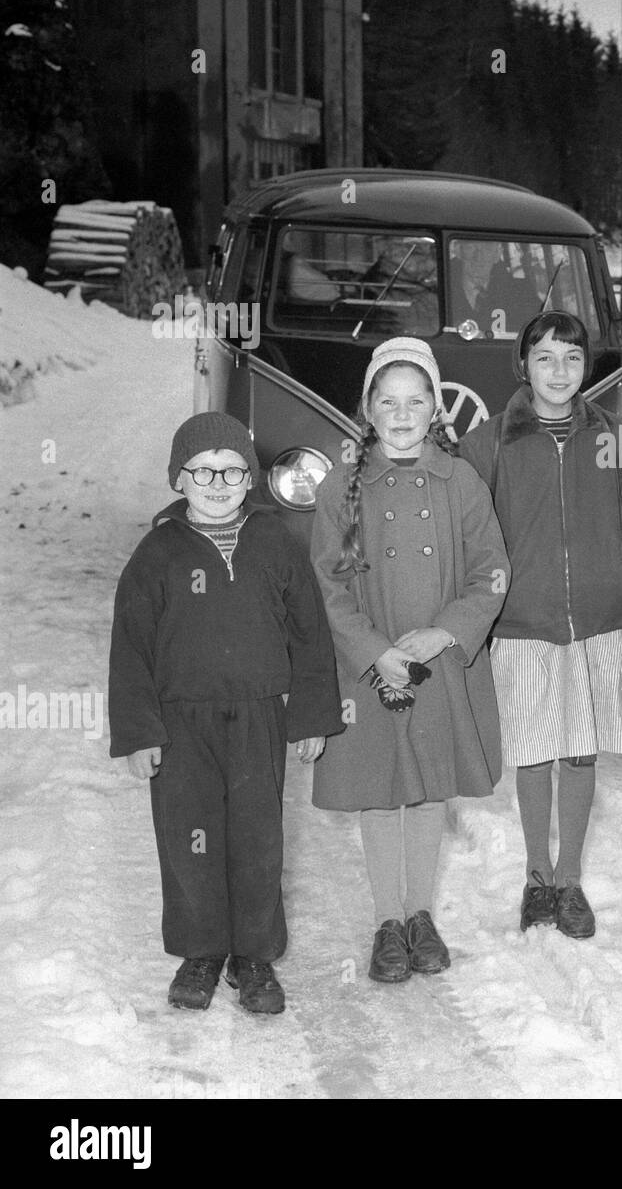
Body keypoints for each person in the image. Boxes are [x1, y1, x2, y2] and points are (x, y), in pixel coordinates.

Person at [109, 413, 341, 1015]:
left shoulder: (275, 543)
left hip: (259, 715)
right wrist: (139, 732)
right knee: (191, 837)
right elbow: (130, 645)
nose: (218, 482)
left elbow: (310, 634)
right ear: (178, 479)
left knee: (258, 836)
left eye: (233, 469)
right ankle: (201, 949)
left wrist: (311, 716)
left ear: (252, 477)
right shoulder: (157, 552)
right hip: (181, 721)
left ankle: (255, 956)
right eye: (203, 470)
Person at [310, 337, 508, 983]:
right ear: (368, 407)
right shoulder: (341, 486)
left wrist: (445, 632)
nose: (402, 414)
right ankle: (387, 921)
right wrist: (375, 652)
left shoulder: (462, 481)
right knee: (379, 787)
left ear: (435, 407)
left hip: (440, 660)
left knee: (427, 786)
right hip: (369, 664)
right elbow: (329, 586)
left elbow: (492, 573)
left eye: (415, 399)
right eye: (387, 401)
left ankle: (422, 914)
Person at [459, 310, 622, 938]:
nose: (559, 370)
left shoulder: (619, 437)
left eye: (572, 357)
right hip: (522, 624)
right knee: (534, 751)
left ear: (587, 366)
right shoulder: (488, 443)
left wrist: (617, 577)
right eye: (545, 357)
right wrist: (498, 597)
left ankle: (570, 878)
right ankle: (535, 876)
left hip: (598, 622)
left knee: (579, 750)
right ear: (524, 365)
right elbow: (475, 535)